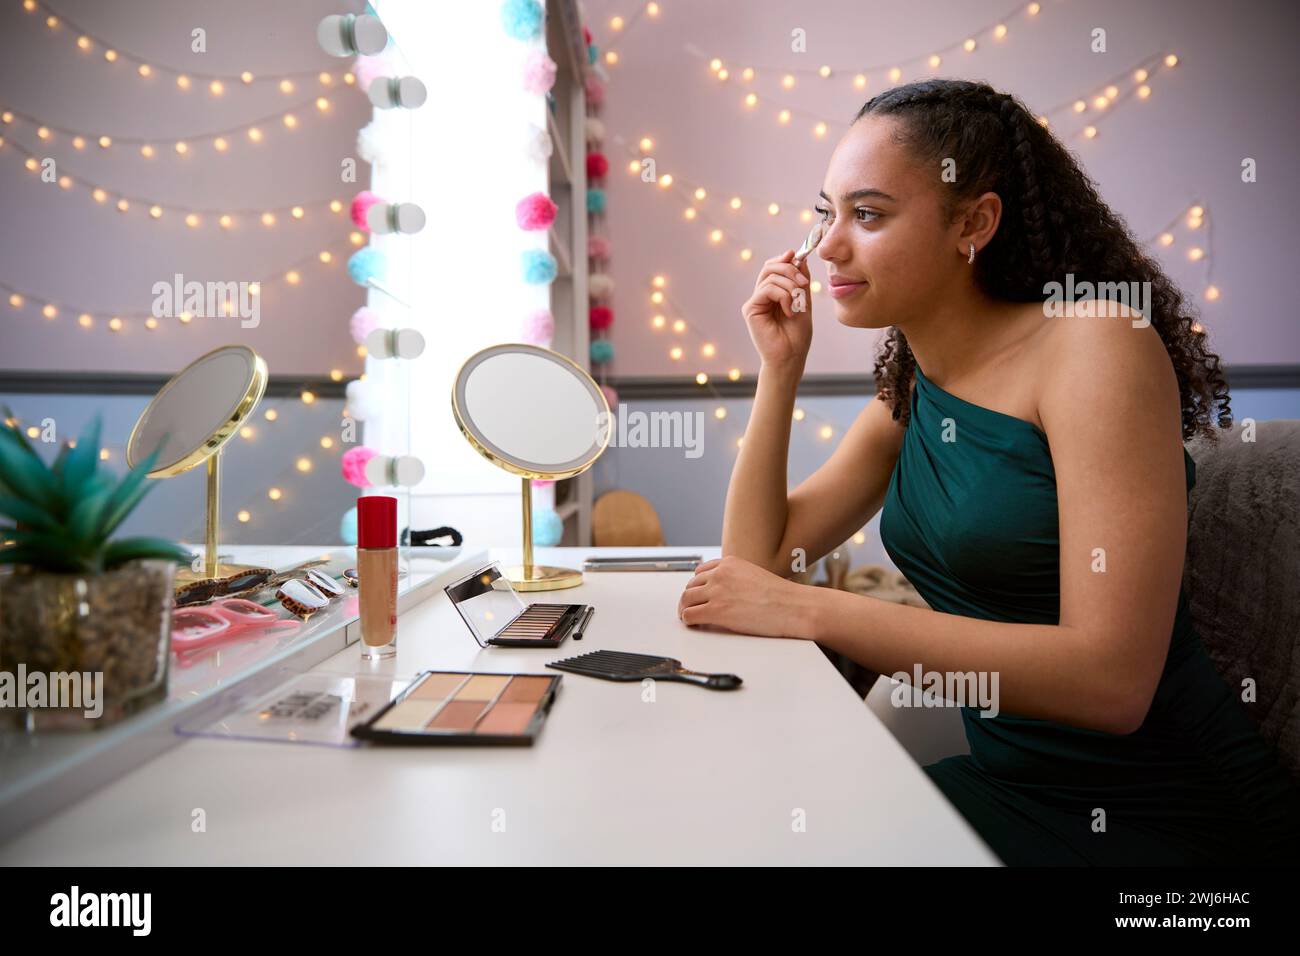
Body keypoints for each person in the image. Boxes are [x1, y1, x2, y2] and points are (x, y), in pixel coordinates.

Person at [678, 78, 1300, 865]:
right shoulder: (914, 388)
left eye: (866, 215)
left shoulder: (1096, 347)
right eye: (824, 213)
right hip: (1009, 787)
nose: (827, 246)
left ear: (974, 223)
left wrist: (812, 611)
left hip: (1166, 820)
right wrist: (779, 370)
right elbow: (758, 561)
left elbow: (1112, 684)